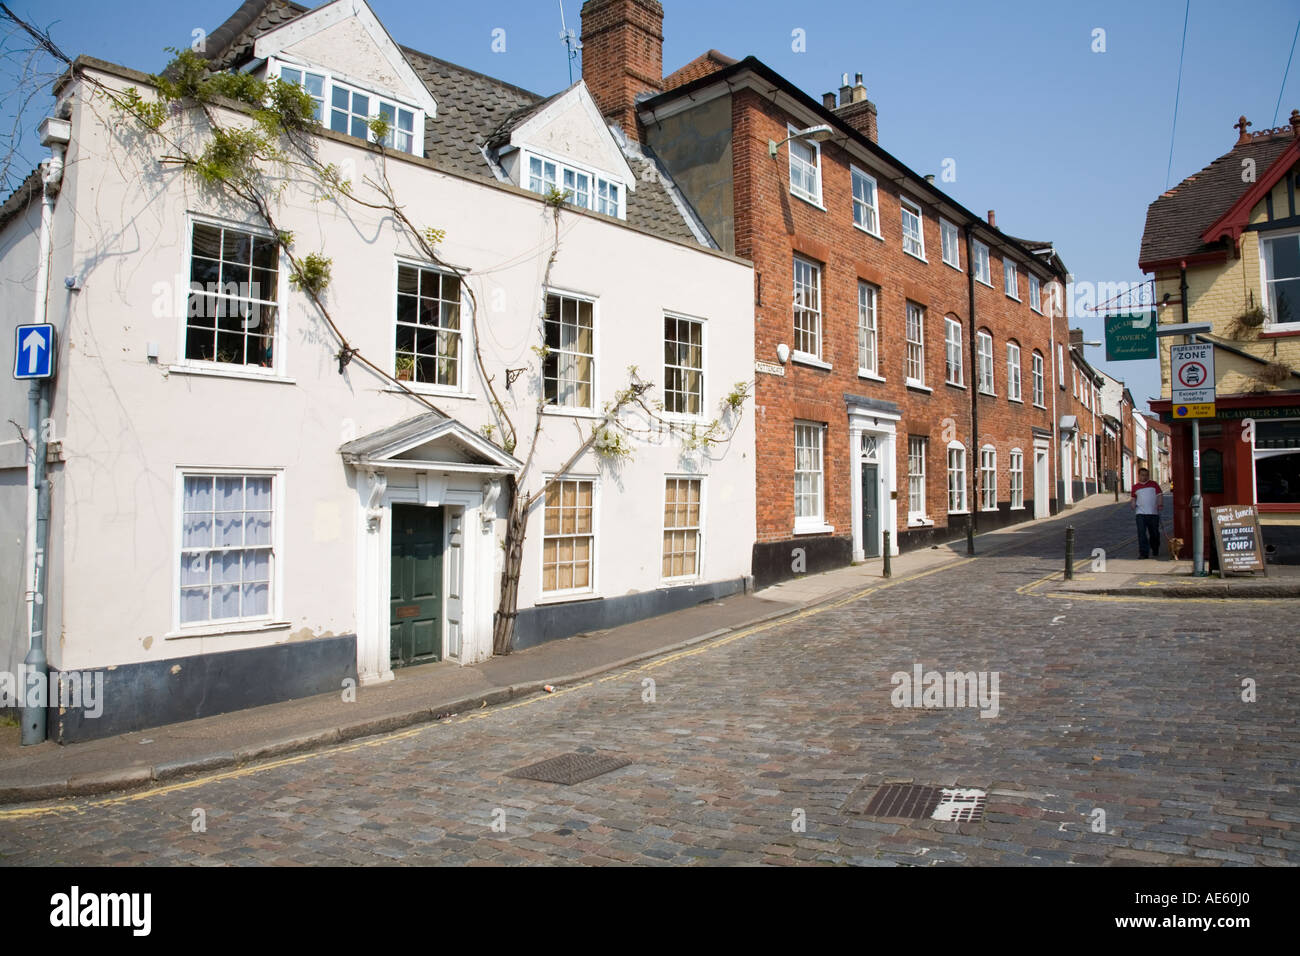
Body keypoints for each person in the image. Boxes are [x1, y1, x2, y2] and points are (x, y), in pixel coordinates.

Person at [1131, 467, 1163, 559]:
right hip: (1140, 513)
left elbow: (1159, 494)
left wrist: (1160, 504)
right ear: (1139, 475)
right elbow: (1133, 497)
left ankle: (1155, 548)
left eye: (1146, 475)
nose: (1144, 477)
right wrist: (1133, 504)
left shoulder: (1154, 484)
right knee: (1141, 533)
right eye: (1142, 475)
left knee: (1154, 533)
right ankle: (1143, 553)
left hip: (1153, 513)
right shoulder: (1135, 487)